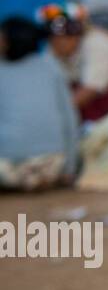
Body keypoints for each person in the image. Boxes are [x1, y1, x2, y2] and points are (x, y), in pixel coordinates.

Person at [0, 17, 80, 191]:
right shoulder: (51, 66)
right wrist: (70, 169)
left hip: (6, 168)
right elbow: (70, 119)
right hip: (52, 167)